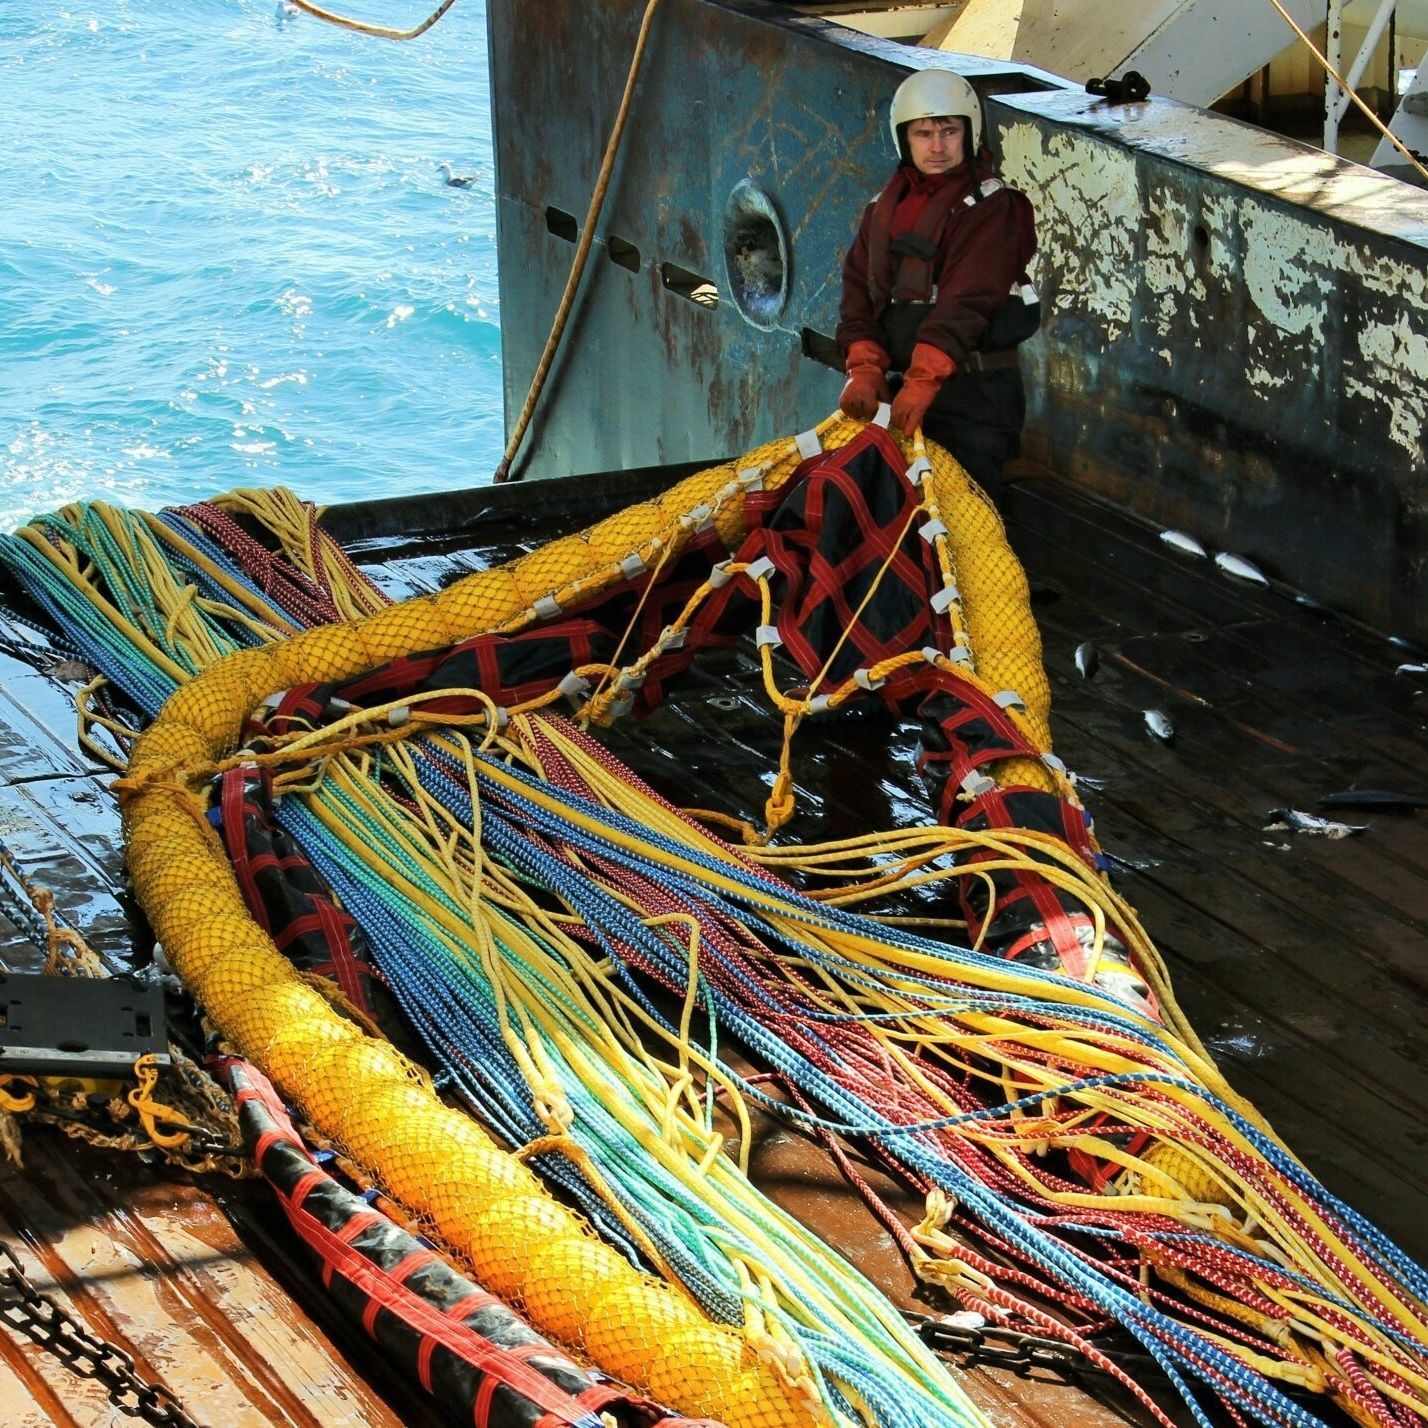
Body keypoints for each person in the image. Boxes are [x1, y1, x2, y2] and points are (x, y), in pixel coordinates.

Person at [836, 68, 1039, 499]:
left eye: (949, 132)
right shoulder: (882, 208)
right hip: (904, 392)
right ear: (904, 140)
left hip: (975, 398)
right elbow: (858, 288)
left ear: (969, 134)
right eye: (924, 134)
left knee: (965, 510)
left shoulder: (992, 207)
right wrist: (865, 365)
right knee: (896, 508)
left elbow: (968, 297)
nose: (938, 146)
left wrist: (924, 379)